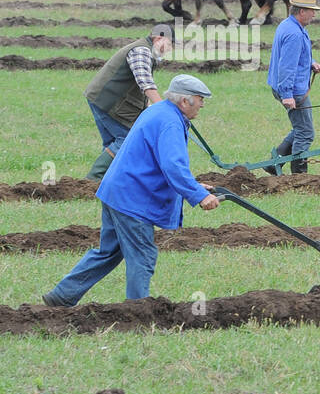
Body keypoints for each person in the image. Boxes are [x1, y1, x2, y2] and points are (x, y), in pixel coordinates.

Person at [44, 75, 221, 307]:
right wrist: (200, 196)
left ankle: (62, 295)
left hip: (116, 191)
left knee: (108, 252)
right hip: (132, 200)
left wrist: (195, 186)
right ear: (185, 101)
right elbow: (172, 166)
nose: (202, 105)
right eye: (200, 99)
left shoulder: (159, 112)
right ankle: (137, 311)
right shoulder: (170, 122)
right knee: (143, 256)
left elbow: (157, 161)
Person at [85, 25, 174, 179]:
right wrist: (162, 108)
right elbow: (145, 82)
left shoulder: (145, 50)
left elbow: (137, 86)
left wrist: (148, 106)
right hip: (109, 101)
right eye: (170, 44)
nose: (169, 50)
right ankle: (94, 178)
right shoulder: (141, 51)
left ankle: (106, 181)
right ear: (158, 38)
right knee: (128, 140)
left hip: (100, 98)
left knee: (113, 143)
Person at [266, 0, 320, 174]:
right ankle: (299, 175)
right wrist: (287, 94)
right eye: (312, 11)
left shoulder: (290, 25)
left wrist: (310, 62)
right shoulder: (294, 34)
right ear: (302, 11)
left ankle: (273, 164)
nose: (314, 14)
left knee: (300, 127)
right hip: (292, 90)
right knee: (306, 133)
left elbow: (296, 56)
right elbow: (287, 67)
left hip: (285, 87)